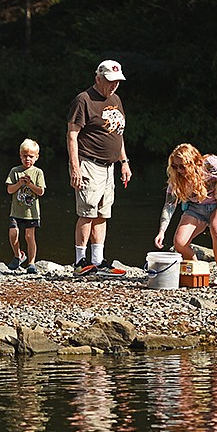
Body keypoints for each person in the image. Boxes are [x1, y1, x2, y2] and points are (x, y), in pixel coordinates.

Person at [67, 59, 131, 277]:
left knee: (103, 213)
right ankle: (80, 262)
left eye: (117, 82)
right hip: (88, 163)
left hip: (109, 166)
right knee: (87, 212)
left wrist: (124, 162)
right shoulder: (83, 100)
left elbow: (118, 133)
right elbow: (72, 135)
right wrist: (75, 168)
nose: (113, 86)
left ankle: (98, 261)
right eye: (109, 81)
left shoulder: (116, 99)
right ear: (98, 78)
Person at [154, 143, 217, 286]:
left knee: (216, 228)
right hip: (196, 209)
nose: (179, 170)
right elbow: (169, 205)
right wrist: (161, 231)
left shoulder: (211, 163)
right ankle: (197, 267)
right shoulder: (176, 180)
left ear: (193, 162)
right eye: (175, 166)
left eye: (182, 166)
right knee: (179, 243)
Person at [5, 138, 46, 273]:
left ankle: (31, 263)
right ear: (20, 156)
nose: (27, 159)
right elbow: (9, 190)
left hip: (31, 213)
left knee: (29, 236)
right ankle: (18, 256)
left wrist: (29, 185)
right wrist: (19, 184)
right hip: (16, 212)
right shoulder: (15, 171)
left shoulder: (38, 172)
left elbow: (41, 192)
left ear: (36, 157)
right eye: (25, 156)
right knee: (13, 233)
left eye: (30, 156)